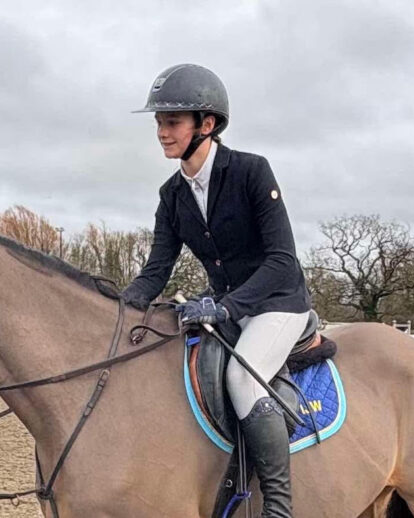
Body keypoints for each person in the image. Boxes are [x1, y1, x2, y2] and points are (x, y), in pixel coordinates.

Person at [121, 64, 311, 518]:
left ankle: (279, 508)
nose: (162, 133)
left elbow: (283, 259)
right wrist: (119, 307)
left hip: (277, 303)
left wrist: (225, 307)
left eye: (172, 122)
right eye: (159, 124)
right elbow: (156, 269)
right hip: (224, 307)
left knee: (242, 379)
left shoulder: (250, 171)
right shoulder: (171, 195)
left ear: (206, 125)